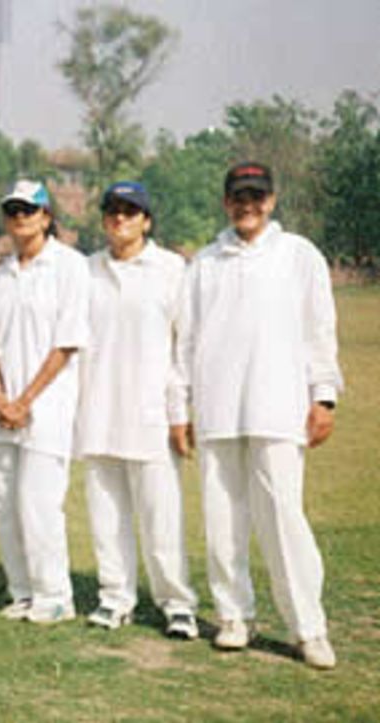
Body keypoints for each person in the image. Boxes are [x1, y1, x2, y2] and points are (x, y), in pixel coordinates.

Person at [172, 162, 343, 669]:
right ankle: (234, 617)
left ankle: (308, 627)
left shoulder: (299, 255)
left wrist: (324, 396)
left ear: (271, 201)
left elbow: (320, 330)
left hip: (278, 406)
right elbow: (185, 343)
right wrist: (180, 407)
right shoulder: (204, 263)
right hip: (217, 407)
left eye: (256, 197)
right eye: (238, 197)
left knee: (283, 518)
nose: (247, 205)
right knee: (222, 519)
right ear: (226, 202)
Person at [74, 181, 199, 639]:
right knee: (106, 515)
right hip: (97, 408)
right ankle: (115, 597)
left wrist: (179, 411)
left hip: (151, 412)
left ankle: (177, 603)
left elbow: (184, 345)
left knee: (160, 516)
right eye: (113, 211)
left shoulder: (170, 269)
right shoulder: (86, 270)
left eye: (130, 212)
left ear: (146, 220)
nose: (120, 219)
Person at [0, 180, 88, 625]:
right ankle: (22, 591)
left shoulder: (70, 267)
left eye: (29, 210)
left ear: (46, 217)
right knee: (5, 504)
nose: (21, 217)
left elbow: (67, 343)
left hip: (48, 405)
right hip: (0, 409)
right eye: (13, 211)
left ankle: (55, 595)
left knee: (38, 503)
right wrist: (0, 397)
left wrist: (25, 400)